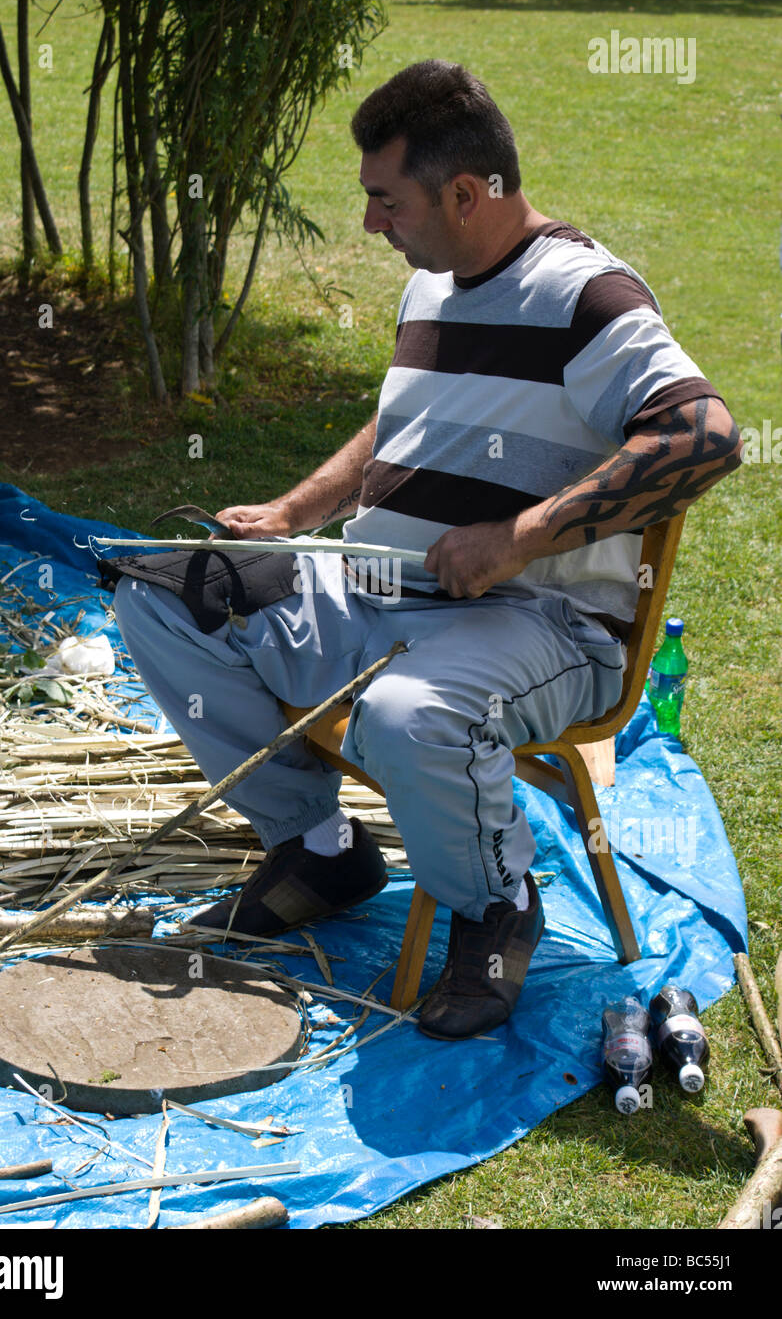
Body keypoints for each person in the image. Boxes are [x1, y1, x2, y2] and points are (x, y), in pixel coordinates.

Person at [107, 61, 742, 1041]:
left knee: (410, 715)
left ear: (462, 193)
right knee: (167, 592)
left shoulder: (585, 297)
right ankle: (318, 846)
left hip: (539, 627)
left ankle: (496, 907)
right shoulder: (434, 284)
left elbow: (704, 434)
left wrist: (517, 538)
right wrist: (293, 511)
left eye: (384, 200)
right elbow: (400, 430)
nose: (372, 224)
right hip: (377, 591)